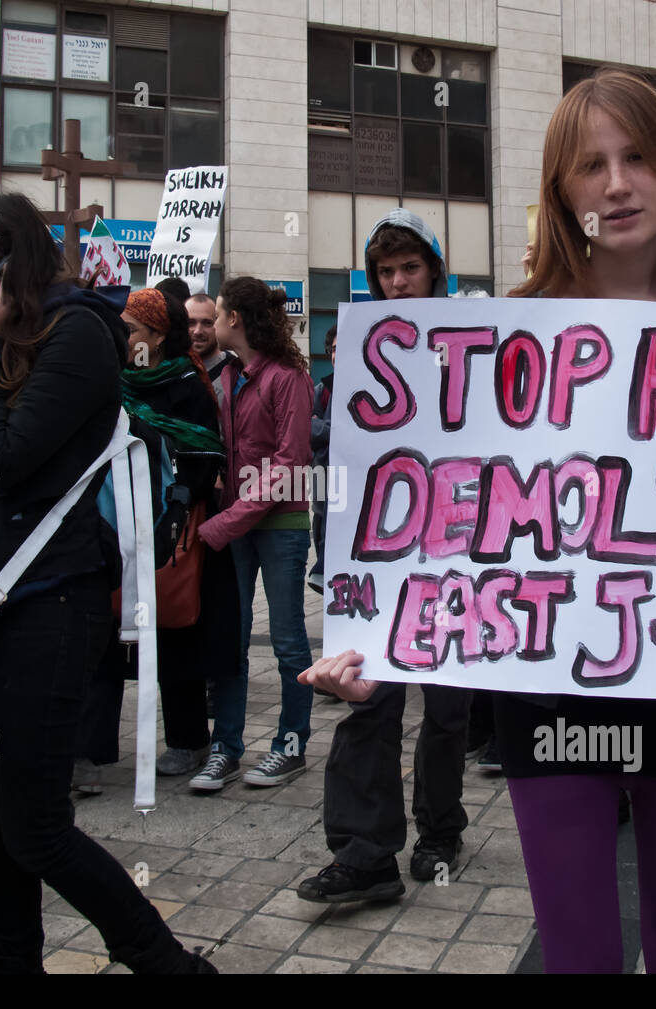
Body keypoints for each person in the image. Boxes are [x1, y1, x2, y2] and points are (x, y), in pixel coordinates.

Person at [303, 68, 656, 972]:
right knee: (578, 955)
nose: (617, 184)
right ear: (560, 192)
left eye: (638, 158)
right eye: (590, 166)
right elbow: (451, 516)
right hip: (552, 696)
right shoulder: (505, 332)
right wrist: (376, 641)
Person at [0, 192, 212, 972]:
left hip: (51, 602)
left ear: (8, 262)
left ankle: (167, 963)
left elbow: (6, 460)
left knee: (36, 825)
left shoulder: (78, 330)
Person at [296, 210, 474, 903]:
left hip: (458, 552)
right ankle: (366, 854)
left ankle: (440, 830)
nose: (399, 283)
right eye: (387, 273)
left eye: (411, 268)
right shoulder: (358, 355)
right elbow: (328, 456)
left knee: (449, 704)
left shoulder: (470, 342)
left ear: (434, 270)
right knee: (366, 698)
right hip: (377, 558)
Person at [78, 287, 232, 787]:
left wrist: (179, 493)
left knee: (172, 631)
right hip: (110, 520)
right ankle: (92, 751)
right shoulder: (111, 379)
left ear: (157, 337)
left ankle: (189, 741)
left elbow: (207, 450)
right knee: (102, 633)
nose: (122, 337)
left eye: (132, 330)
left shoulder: (188, 380)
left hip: (171, 525)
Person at [190, 277, 314, 791]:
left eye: (215, 315)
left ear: (235, 321)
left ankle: (291, 745)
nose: (210, 325)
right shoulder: (227, 378)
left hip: (279, 524)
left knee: (287, 640)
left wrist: (226, 520)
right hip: (237, 524)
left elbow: (290, 463)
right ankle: (226, 748)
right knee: (231, 638)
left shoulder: (288, 378)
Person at [307, 326, 335, 595]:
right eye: (334, 349)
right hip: (322, 469)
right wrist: (336, 429)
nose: (338, 354)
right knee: (321, 517)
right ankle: (322, 569)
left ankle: (326, 571)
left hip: (350, 471)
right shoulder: (322, 389)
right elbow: (306, 429)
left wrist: (322, 426)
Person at [185, 293, 236, 404]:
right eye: (191, 323)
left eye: (207, 323)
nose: (198, 331)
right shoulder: (171, 369)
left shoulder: (236, 371)